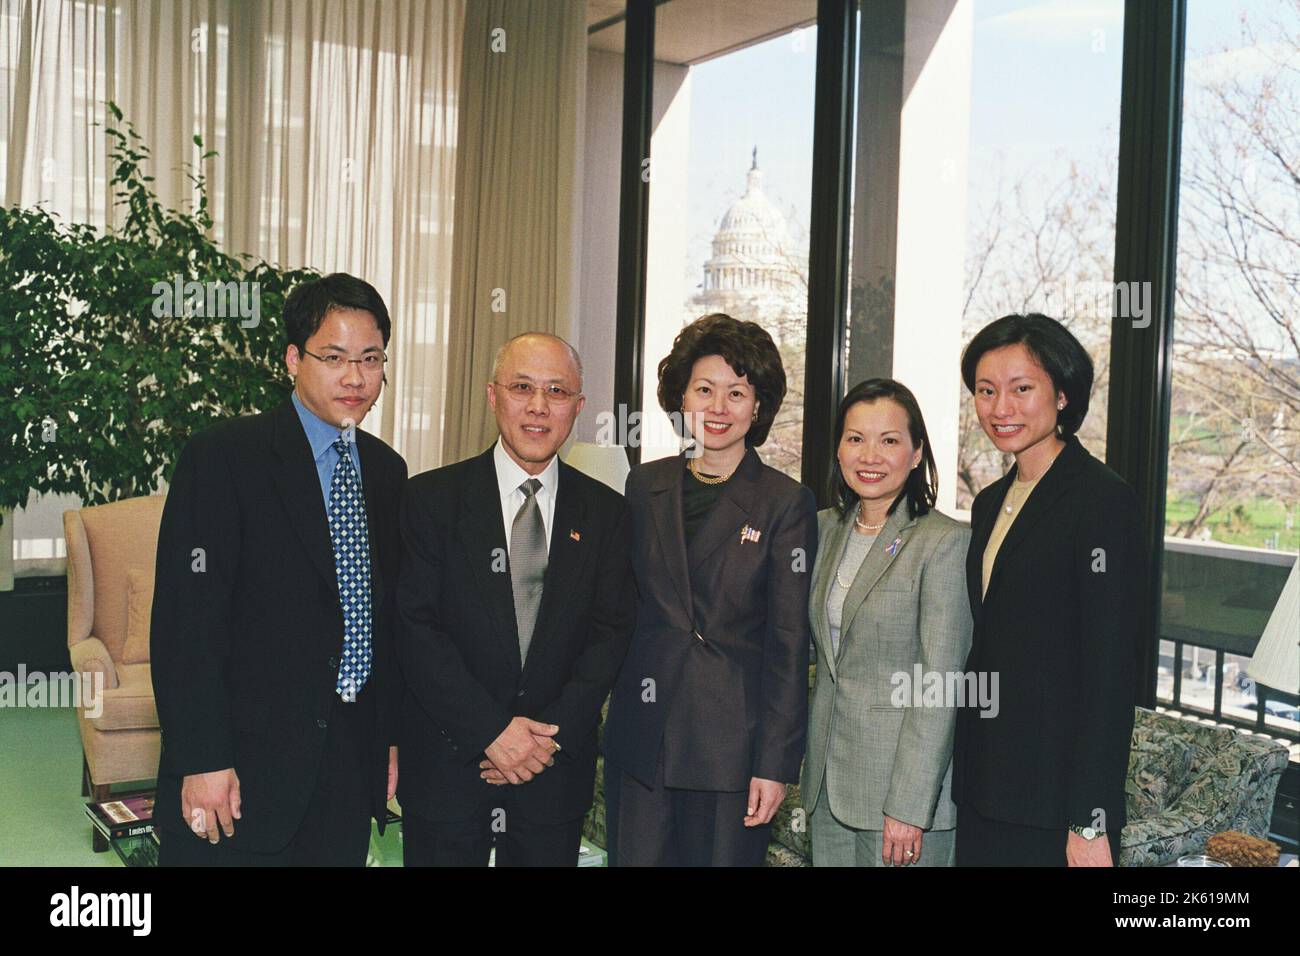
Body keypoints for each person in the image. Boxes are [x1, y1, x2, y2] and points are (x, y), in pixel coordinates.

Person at [151, 273, 407, 865]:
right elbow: (186, 625)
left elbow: (384, 620)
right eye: (334, 357)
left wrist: (386, 740)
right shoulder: (222, 458)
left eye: (371, 359)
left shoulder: (387, 472)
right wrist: (202, 757)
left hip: (345, 764)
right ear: (294, 358)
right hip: (240, 766)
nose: (355, 377)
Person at [396, 332, 635, 866]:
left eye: (556, 391)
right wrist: (491, 732)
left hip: (551, 776)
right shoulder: (430, 500)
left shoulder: (607, 513)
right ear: (492, 395)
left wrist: (542, 742)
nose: (537, 406)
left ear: (578, 406)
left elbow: (610, 636)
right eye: (522, 387)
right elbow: (415, 629)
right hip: (448, 766)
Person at [602, 312, 817, 867]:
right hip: (642, 736)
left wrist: (774, 764)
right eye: (704, 389)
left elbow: (788, 646)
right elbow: (620, 611)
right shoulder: (644, 483)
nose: (718, 409)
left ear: (758, 405)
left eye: (737, 393)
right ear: (681, 396)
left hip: (730, 748)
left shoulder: (785, 503)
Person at [952, 312, 1146, 866]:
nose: (1000, 408)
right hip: (986, 785)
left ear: (1062, 395)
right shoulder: (992, 500)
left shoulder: (1102, 503)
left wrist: (1090, 819)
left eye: (1021, 389)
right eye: (986, 391)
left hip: (1055, 798)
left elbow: (1109, 673)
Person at [802, 379, 971, 867]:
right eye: (855, 439)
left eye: (889, 440)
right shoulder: (823, 530)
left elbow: (938, 686)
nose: (869, 455)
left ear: (917, 452)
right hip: (828, 788)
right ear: (838, 449)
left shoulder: (942, 543)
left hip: (900, 800)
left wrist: (908, 807)